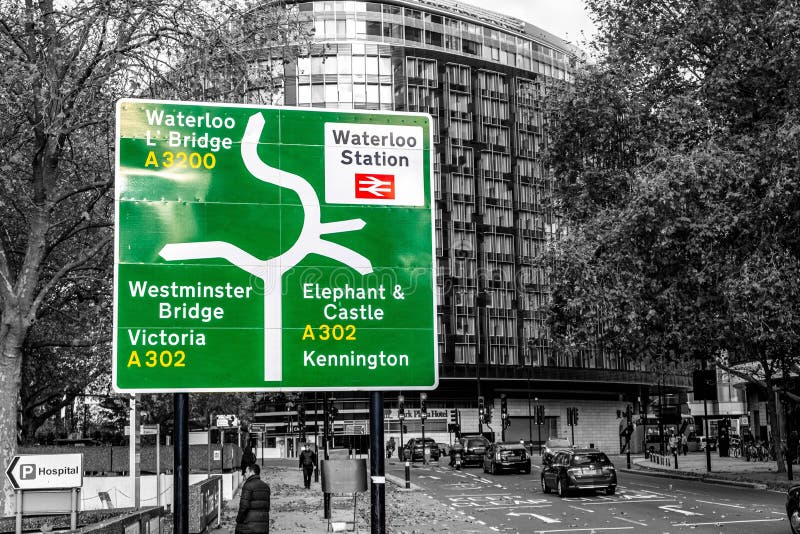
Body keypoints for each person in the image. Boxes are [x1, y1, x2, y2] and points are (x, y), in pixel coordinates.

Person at [236, 463, 270, 534]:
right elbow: (267, 508)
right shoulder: (266, 487)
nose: (245, 474)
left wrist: (238, 520)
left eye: (246, 471)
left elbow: (244, 506)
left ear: (251, 472)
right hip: (263, 527)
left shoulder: (248, 486)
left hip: (248, 527)